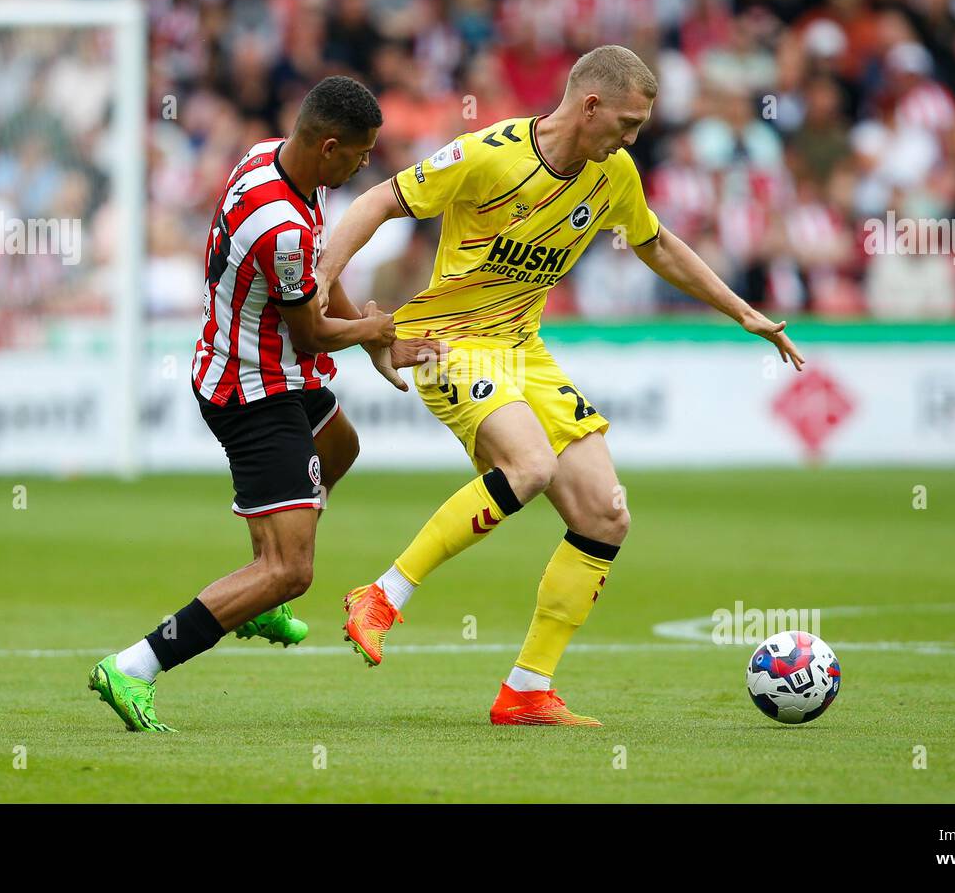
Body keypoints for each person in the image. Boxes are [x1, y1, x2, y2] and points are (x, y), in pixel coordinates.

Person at [317, 47, 804, 726]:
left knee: (606, 514)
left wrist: (742, 311)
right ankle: (382, 596)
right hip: (446, 345)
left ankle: (525, 690)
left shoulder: (614, 174)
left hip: (523, 352)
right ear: (590, 106)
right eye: (628, 123)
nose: (633, 138)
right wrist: (322, 294)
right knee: (532, 466)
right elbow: (378, 199)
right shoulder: (489, 155)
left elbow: (656, 243)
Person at [89, 76, 437, 732]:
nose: (365, 165)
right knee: (290, 570)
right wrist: (373, 329)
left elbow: (316, 281)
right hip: (253, 391)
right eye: (360, 153)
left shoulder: (266, 160)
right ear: (329, 146)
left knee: (340, 446)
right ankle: (135, 665)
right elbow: (309, 330)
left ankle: (261, 590)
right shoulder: (282, 227)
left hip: (268, 369)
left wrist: (367, 339)